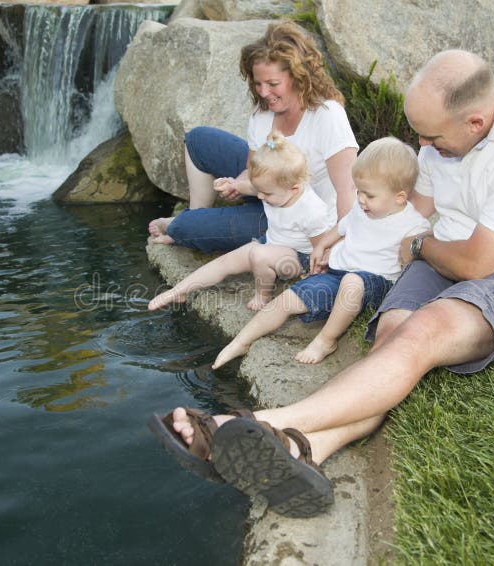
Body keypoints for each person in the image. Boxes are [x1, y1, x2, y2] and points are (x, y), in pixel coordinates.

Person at [148, 49, 494, 518]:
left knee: (421, 333)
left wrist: (418, 248)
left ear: (475, 123)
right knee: (391, 342)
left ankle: (254, 424)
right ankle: (305, 448)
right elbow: (412, 206)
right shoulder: (444, 137)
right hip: (440, 254)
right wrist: (348, 231)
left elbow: (477, 263)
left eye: (432, 137)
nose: (423, 145)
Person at [213, 137, 430, 368]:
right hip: (338, 275)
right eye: (359, 192)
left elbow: (415, 266)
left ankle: (326, 340)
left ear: (400, 196)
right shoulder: (362, 208)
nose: (361, 200)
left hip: (375, 282)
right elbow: (343, 226)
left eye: (370, 195)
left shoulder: (414, 226)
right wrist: (321, 245)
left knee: (352, 282)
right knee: (288, 299)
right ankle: (241, 341)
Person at [147, 20, 358, 253]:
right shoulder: (263, 114)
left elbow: (347, 190)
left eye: (272, 83)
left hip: (295, 218)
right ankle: (198, 214)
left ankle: (183, 226)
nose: (264, 92)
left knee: (185, 227)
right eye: (258, 84)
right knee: (198, 139)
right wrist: (236, 183)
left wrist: (334, 246)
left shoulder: (327, 115)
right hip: (266, 190)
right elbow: (252, 170)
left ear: (299, 78)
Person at [148, 132, 334, 312]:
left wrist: (314, 274)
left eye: (266, 194)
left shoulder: (311, 211)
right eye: (259, 190)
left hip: (298, 257)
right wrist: (232, 185)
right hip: (273, 242)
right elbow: (250, 187)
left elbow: (321, 248)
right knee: (226, 261)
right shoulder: (276, 190)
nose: (260, 196)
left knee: (258, 255)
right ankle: (179, 291)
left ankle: (263, 295)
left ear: (294, 189)